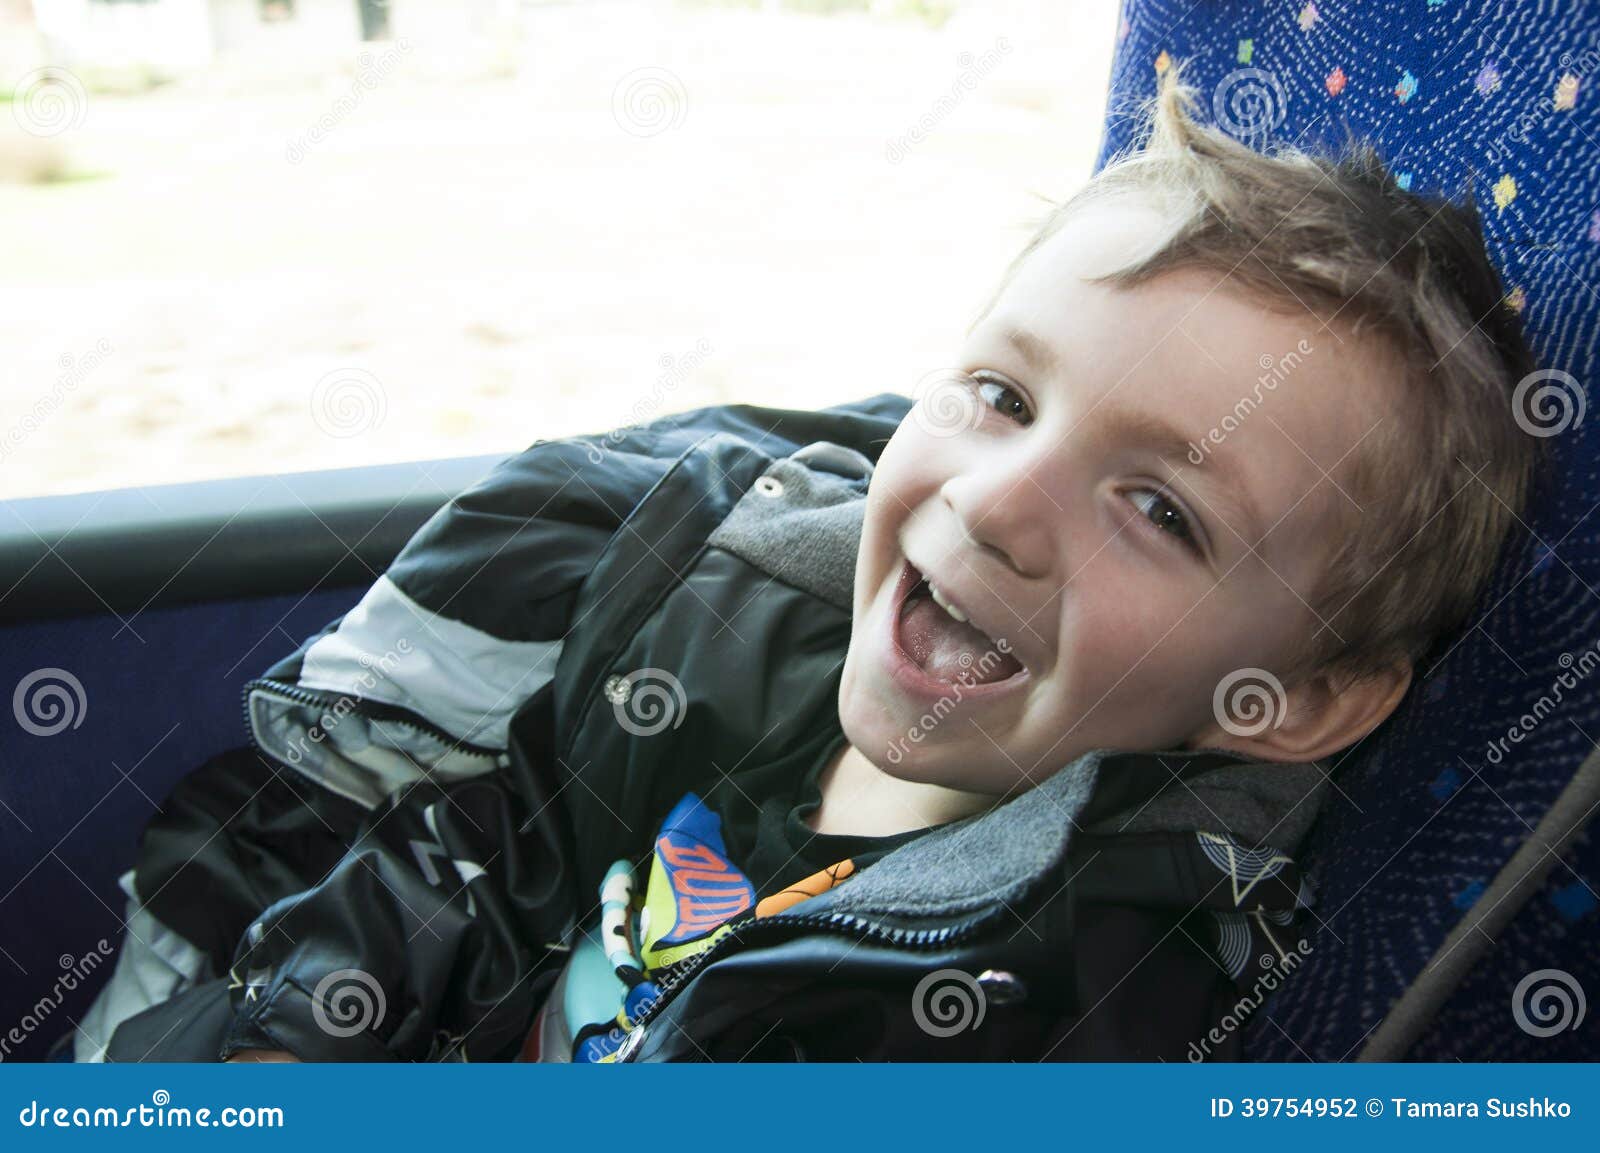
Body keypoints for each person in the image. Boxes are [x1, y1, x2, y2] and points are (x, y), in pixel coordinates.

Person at [74, 63, 1544, 1062]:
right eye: (1003, 397)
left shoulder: (1085, 982)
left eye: (1161, 509)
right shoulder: (729, 642)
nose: (995, 506)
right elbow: (487, 858)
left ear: (1289, 698)